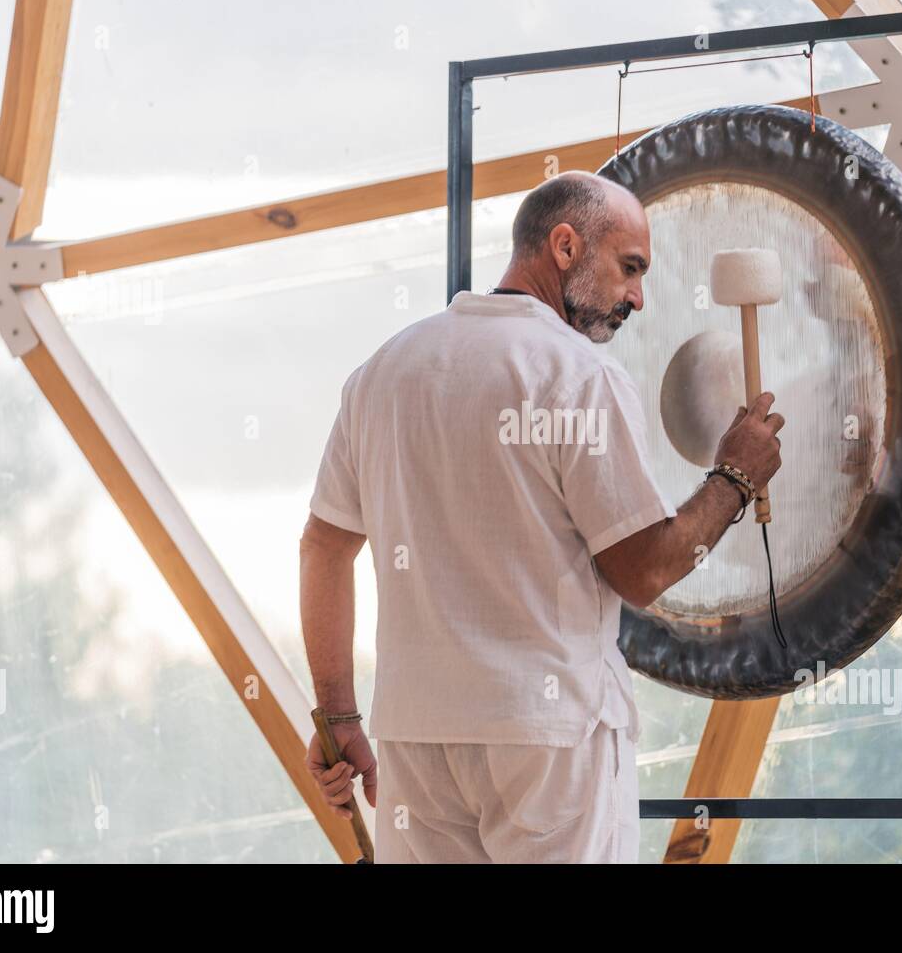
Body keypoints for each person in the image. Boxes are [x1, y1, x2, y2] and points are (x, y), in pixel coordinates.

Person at [299, 170, 784, 863]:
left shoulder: (383, 372)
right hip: (549, 741)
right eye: (629, 268)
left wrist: (338, 714)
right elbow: (644, 570)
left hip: (416, 741)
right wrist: (735, 477)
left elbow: (322, 548)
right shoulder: (577, 376)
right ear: (564, 246)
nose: (637, 298)